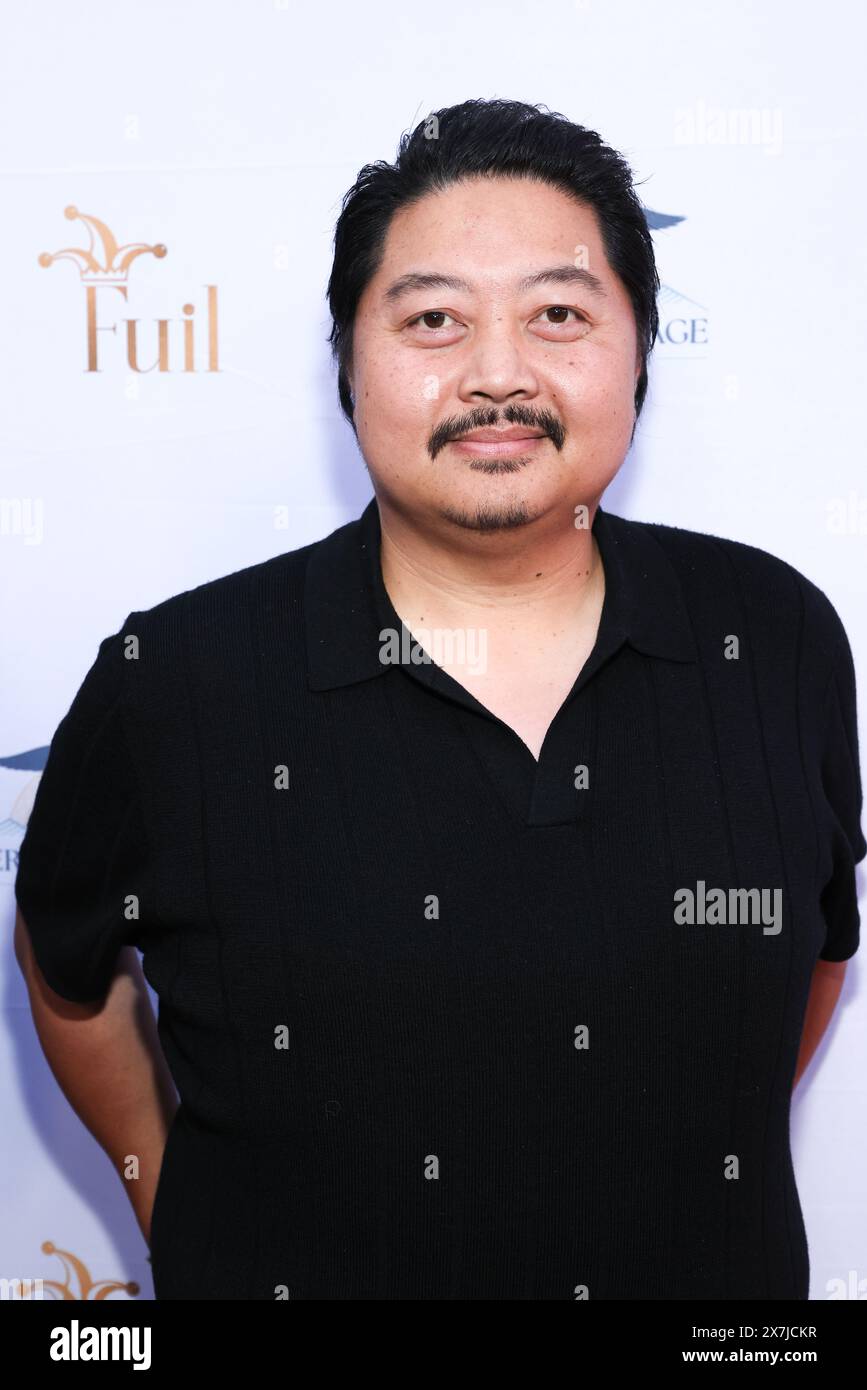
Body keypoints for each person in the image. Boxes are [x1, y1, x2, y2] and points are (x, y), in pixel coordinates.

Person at [14, 98, 865, 1300]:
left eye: (560, 313)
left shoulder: (775, 635)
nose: (500, 373)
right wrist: (180, 1207)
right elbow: (65, 972)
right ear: (349, 370)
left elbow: (813, 954)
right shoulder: (180, 682)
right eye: (433, 320)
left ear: (641, 352)